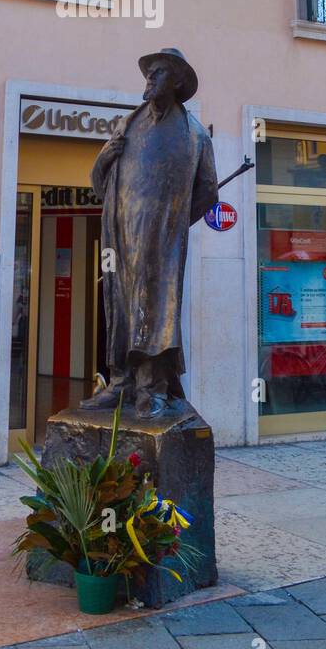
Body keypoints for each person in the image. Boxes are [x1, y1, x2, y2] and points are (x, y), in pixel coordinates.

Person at [81, 49, 218, 418]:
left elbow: (208, 191)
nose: (150, 79)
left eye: (158, 73)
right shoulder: (128, 125)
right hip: (121, 235)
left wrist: (171, 224)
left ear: (176, 82)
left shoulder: (194, 135)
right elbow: (99, 184)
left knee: (157, 308)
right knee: (122, 306)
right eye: (149, 73)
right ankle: (122, 382)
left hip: (162, 241)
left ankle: (152, 387)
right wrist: (105, 156)